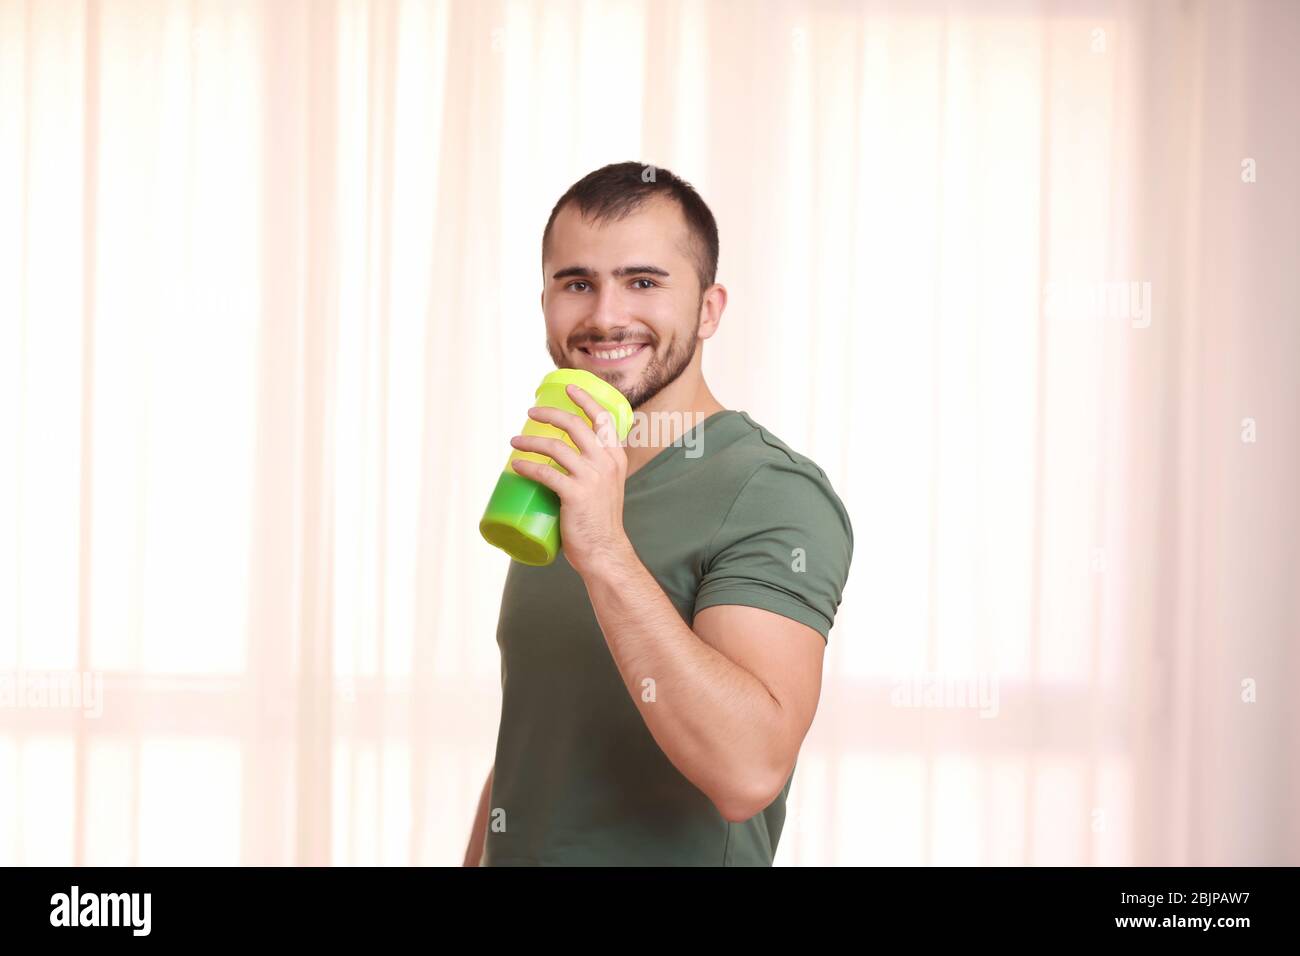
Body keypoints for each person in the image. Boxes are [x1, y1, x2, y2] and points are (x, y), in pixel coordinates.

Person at [463, 161, 853, 866]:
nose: (606, 314)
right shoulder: (563, 478)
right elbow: (533, 748)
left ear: (709, 309)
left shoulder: (772, 491)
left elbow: (749, 772)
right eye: (577, 283)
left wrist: (606, 553)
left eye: (643, 282)